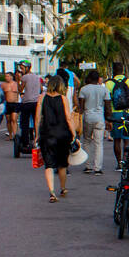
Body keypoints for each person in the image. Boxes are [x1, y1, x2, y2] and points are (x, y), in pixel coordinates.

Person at [34, 74, 76, 202]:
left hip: (47, 134)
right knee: (62, 164)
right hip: (62, 134)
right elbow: (68, 118)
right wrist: (73, 133)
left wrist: (37, 135)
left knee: (49, 165)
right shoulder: (63, 98)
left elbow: (37, 117)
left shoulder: (42, 97)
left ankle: (52, 192)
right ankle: (63, 188)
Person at [77, 70, 110, 175]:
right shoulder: (104, 90)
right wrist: (108, 120)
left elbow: (81, 107)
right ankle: (98, 168)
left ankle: (88, 166)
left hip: (88, 117)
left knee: (87, 141)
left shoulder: (84, 89)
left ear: (89, 78)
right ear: (98, 79)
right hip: (100, 118)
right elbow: (108, 106)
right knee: (98, 143)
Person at [106, 65, 129, 170]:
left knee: (117, 140)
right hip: (128, 113)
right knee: (127, 140)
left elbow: (107, 101)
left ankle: (119, 162)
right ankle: (126, 162)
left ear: (113, 71)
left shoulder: (109, 83)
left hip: (115, 114)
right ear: (123, 71)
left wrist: (108, 117)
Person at [17, 60, 42, 148]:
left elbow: (20, 89)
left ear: (27, 68)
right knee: (36, 122)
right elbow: (41, 89)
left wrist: (17, 80)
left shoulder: (25, 77)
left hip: (27, 102)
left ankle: (26, 143)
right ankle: (37, 140)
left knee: (25, 124)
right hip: (36, 103)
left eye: (22, 68)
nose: (21, 70)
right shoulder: (37, 77)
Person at [0, 70, 20, 140]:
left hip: (15, 103)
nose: (6, 77)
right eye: (5, 76)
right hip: (7, 104)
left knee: (14, 119)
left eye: (8, 76)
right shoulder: (3, 85)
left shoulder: (16, 84)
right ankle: (10, 135)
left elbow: (20, 93)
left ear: (11, 77)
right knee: (8, 120)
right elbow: (0, 94)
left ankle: (15, 135)